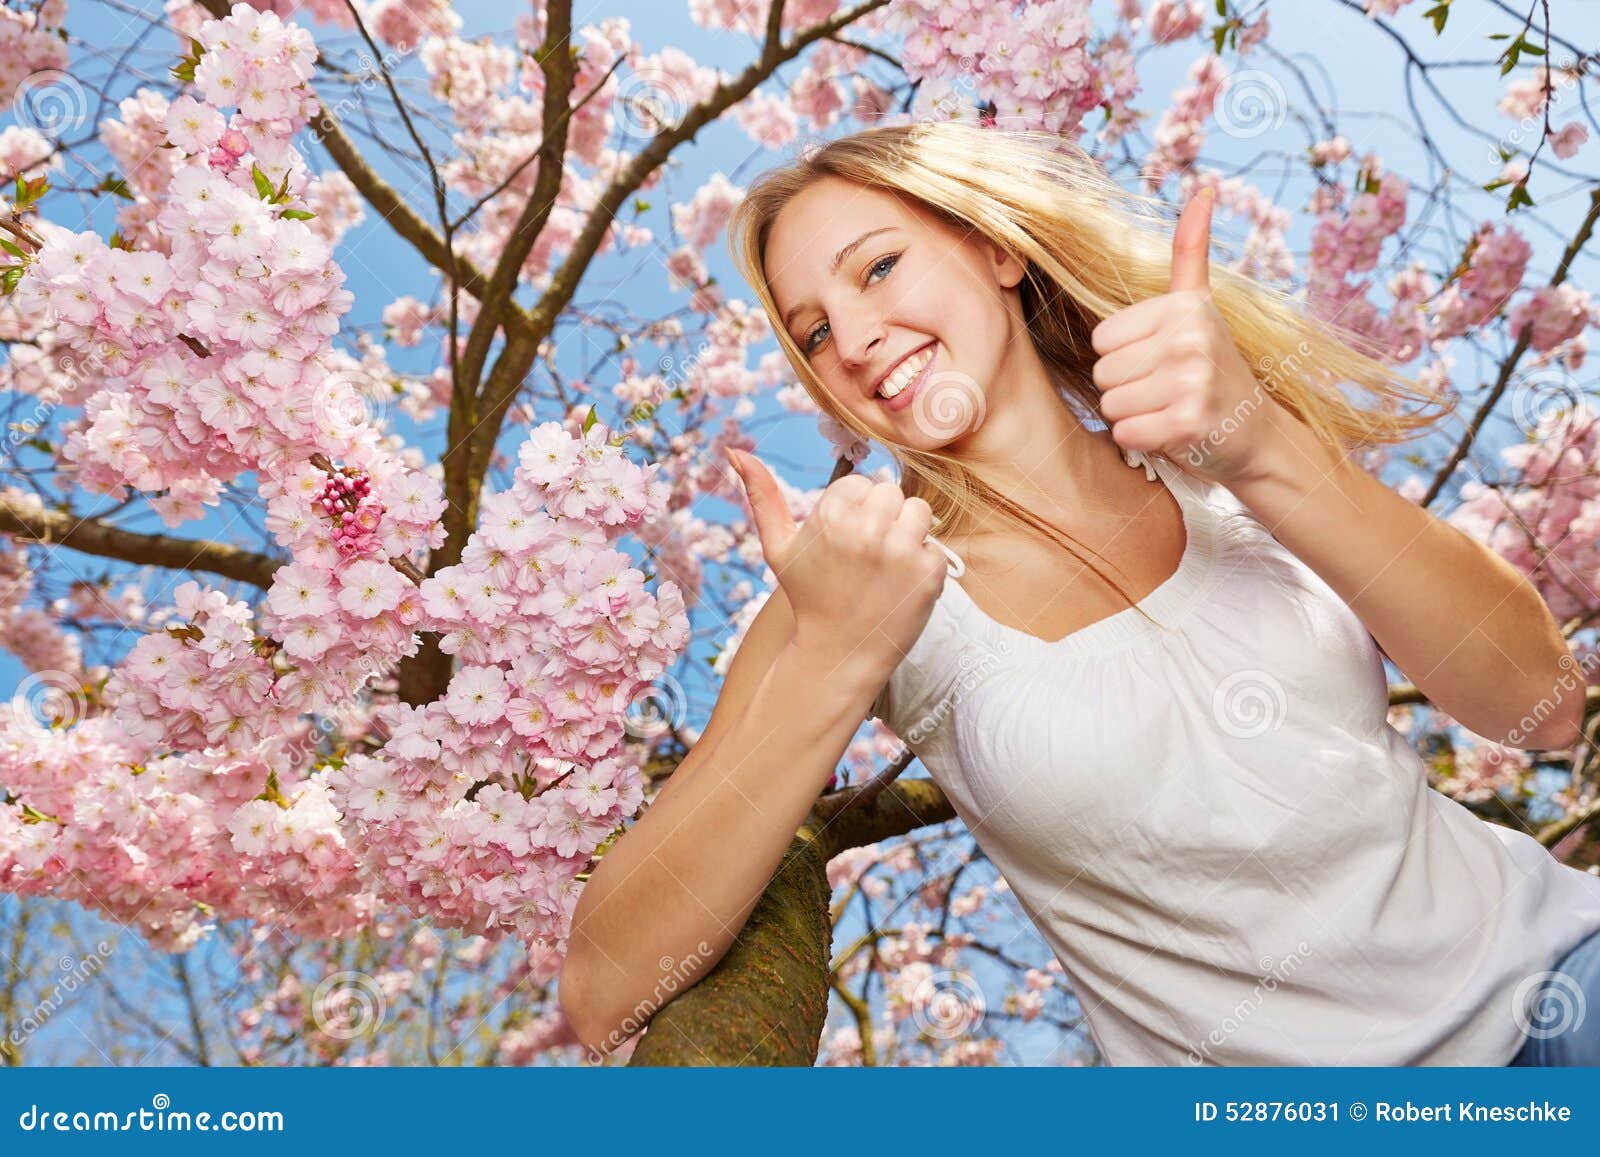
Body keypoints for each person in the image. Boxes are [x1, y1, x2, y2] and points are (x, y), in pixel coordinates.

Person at [559, 121, 1600, 1066]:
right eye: (816, 332)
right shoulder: (851, 589)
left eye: (878, 267)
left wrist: (1263, 446)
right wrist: (830, 662)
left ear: (995, 251)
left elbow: (1541, 707)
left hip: (1559, 977)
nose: (858, 338)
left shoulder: (1218, 449)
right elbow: (607, 987)